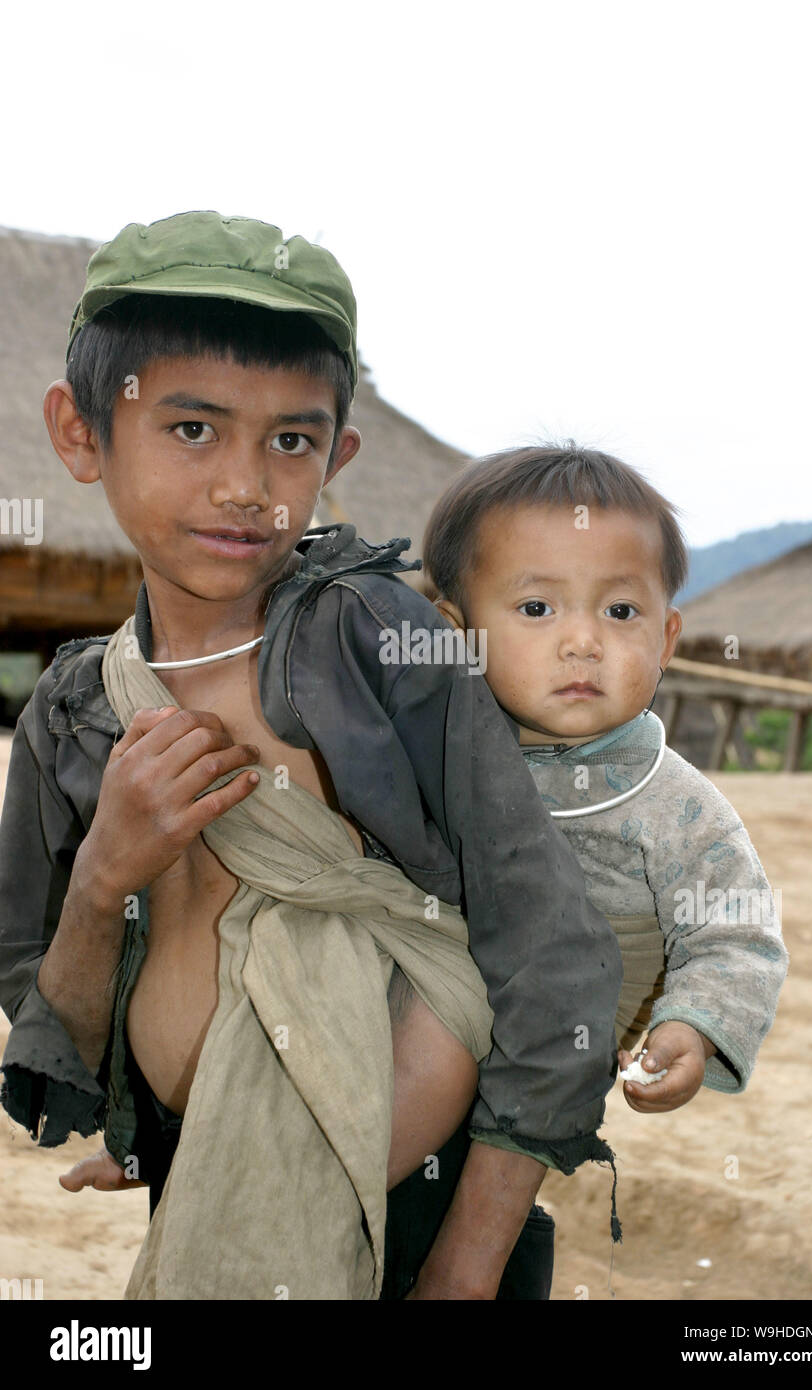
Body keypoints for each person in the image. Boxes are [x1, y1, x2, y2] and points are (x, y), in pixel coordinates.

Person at [0, 215, 623, 1300]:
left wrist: (466, 1269)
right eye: (191, 429)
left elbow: (551, 946)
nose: (245, 483)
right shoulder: (73, 713)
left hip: (428, 1217)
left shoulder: (375, 645)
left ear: (336, 453)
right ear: (81, 432)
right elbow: (44, 993)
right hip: (209, 1184)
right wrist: (103, 881)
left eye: (289, 440)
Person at [423, 444, 788, 1111]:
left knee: (512, 1152)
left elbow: (736, 930)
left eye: (621, 612)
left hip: (542, 1082)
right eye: (537, 609)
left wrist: (691, 1025)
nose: (583, 642)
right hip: (414, 1036)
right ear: (457, 633)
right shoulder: (429, 760)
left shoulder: (674, 805)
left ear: (666, 640)